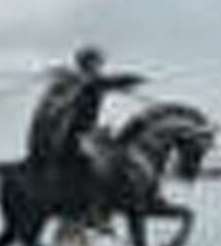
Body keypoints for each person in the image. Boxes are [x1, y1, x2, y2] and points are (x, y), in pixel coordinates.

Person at [25, 44, 144, 214]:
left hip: (84, 133)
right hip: (74, 136)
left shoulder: (83, 80)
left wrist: (131, 81)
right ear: (88, 63)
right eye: (97, 63)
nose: (99, 66)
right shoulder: (81, 81)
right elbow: (112, 81)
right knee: (104, 165)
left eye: (99, 63)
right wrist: (133, 80)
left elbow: (113, 81)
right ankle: (94, 208)